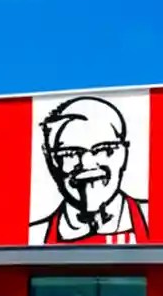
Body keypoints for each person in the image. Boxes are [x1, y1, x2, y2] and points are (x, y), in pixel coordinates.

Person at [29, 96, 150, 244]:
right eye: (70, 153)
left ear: (124, 153)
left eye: (104, 149)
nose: (87, 165)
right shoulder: (34, 238)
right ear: (51, 160)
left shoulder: (159, 222)